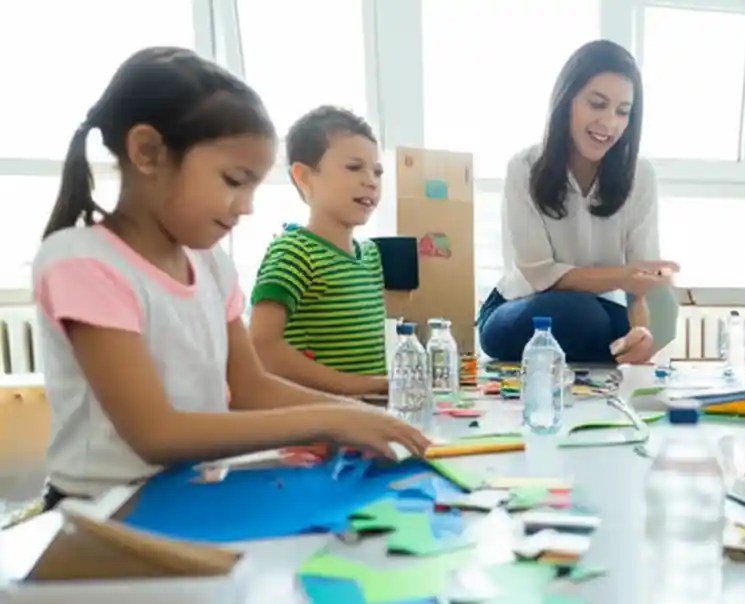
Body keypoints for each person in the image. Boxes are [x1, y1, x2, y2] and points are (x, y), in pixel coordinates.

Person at [32, 47, 428, 507]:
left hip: (191, 493)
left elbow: (250, 387)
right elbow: (154, 433)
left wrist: (360, 416)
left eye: (254, 186)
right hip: (100, 512)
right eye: (234, 180)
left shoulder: (212, 265)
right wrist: (328, 421)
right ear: (147, 152)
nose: (246, 206)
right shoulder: (83, 262)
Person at [477, 39, 680, 364]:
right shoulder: (525, 168)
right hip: (523, 305)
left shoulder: (640, 175)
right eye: (597, 104)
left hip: (594, 311)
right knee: (581, 315)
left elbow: (641, 281)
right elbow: (538, 273)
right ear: (567, 99)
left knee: (664, 312)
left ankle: (618, 351)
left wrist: (643, 335)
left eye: (622, 112)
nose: (609, 123)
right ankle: (602, 350)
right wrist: (621, 277)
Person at [249, 106, 388, 396]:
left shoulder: (371, 255)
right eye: (354, 167)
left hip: (366, 412)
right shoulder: (294, 251)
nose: (371, 180)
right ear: (304, 177)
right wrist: (353, 386)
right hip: (315, 418)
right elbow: (261, 346)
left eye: (377, 171)